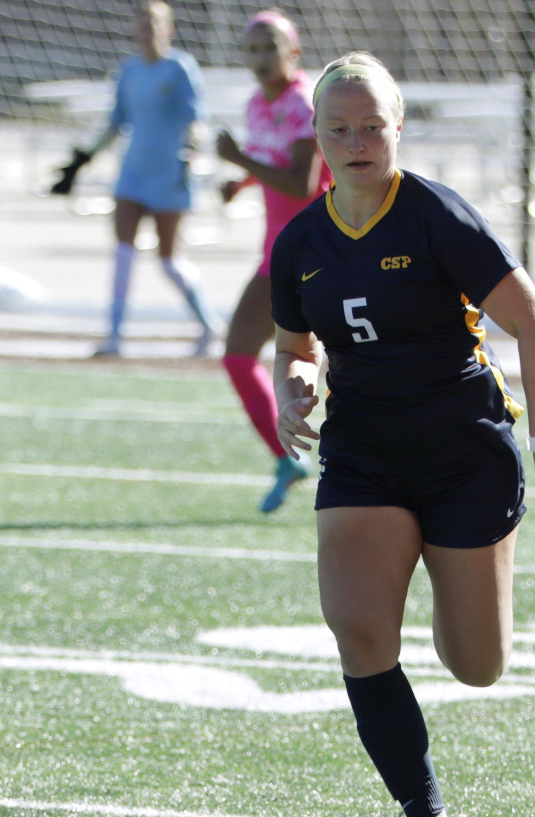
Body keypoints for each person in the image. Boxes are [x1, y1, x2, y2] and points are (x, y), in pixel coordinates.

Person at [270, 53, 535, 817]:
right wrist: (293, 389)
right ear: (319, 136)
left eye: (373, 126)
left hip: (463, 449)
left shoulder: (437, 216)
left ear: (398, 128)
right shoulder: (299, 241)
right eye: (340, 127)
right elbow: (295, 347)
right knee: (360, 630)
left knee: (476, 665)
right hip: (364, 449)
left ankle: (467, 577)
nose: (358, 140)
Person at [51, 2, 217, 357]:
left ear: (168, 29)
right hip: (133, 173)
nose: (147, 32)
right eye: (142, 25)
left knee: (169, 259)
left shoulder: (180, 68)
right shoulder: (127, 71)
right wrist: (83, 158)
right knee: (123, 253)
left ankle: (207, 323)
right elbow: (116, 123)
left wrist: (191, 152)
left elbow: (196, 120)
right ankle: (114, 335)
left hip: (169, 173)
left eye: (154, 25)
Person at [213, 10, 329, 514]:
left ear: (293, 52)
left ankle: (345, 464)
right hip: (278, 251)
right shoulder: (258, 104)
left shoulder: (305, 102)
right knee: (240, 356)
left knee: (335, 360)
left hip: (316, 249)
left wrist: (240, 162)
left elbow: (303, 185)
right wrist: (242, 182)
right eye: (252, 49)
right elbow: (274, 165)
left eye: (270, 47)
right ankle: (288, 454)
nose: (260, 58)